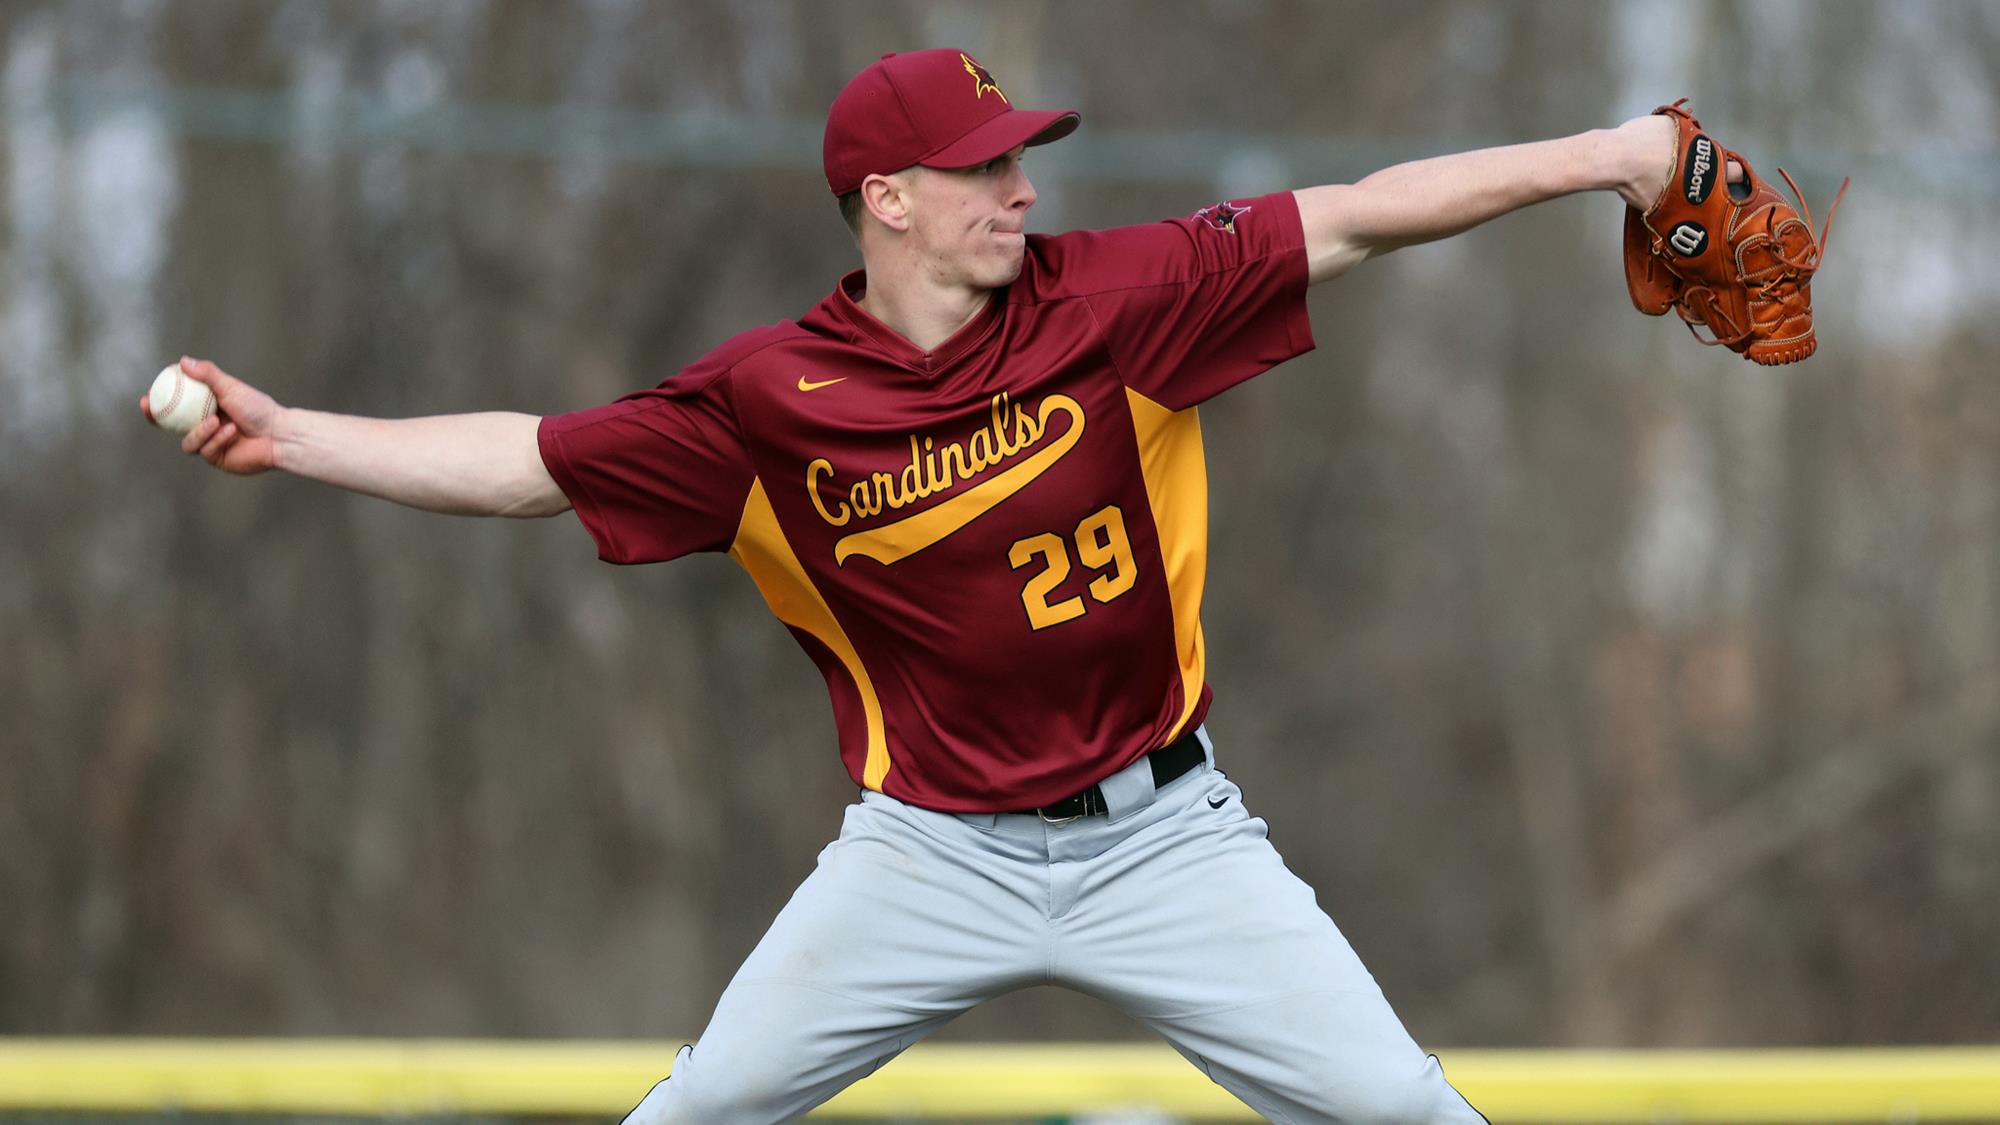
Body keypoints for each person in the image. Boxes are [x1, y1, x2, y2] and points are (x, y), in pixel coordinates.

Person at [150, 47, 1710, 1124]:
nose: (1018, 189)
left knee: (1395, 1104)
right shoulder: (770, 401)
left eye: (1018, 156)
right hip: (929, 856)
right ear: (884, 198)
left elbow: (1363, 210)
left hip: (1165, 835)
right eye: (978, 168)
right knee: (706, 1106)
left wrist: (1618, 159)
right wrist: (292, 439)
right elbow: (525, 462)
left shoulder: (1116, 298)